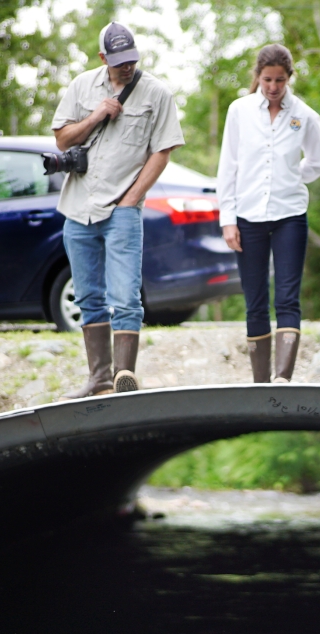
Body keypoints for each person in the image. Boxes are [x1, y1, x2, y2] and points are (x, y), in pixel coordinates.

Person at [52, 22, 184, 396]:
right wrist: (95, 116)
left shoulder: (156, 93)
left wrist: (132, 198)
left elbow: (163, 151)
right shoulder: (81, 86)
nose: (127, 67)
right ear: (103, 58)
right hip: (78, 208)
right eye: (119, 61)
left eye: (131, 60)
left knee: (125, 298)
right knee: (87, 297)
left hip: (121, 210)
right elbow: (61, 139)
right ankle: (99, 379)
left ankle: (124, 377)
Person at [216, 44, 320, 383]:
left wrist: (292, 175)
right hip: (247, 215)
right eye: (267, 79)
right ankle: (260, 382)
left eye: (280, 80)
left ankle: (282, 378)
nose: (273, 87)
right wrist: (227, 219)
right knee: (255, 299)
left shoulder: (304, 116)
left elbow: (318, 161)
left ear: (289, 77)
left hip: (289, 214)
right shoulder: (239, 110)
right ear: (258, 76)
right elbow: (228, 166)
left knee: (287, 297)